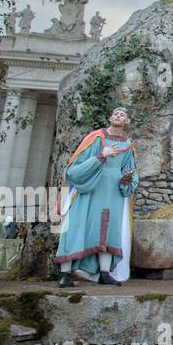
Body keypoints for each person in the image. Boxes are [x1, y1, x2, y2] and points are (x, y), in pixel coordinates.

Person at [54, 107, 139, 287]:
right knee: (76, 228)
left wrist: (127, 178)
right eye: (115, 113)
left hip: (112, 193)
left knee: (108, 230)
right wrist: (101, 156)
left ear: (127, 122)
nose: (118, 115)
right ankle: (65, 274)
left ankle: (104, 273)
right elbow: (74, 170)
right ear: (109, 117)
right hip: (89, 189)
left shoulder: (128, 146)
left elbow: (130, 171)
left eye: (123, 114)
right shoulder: (95, 138)